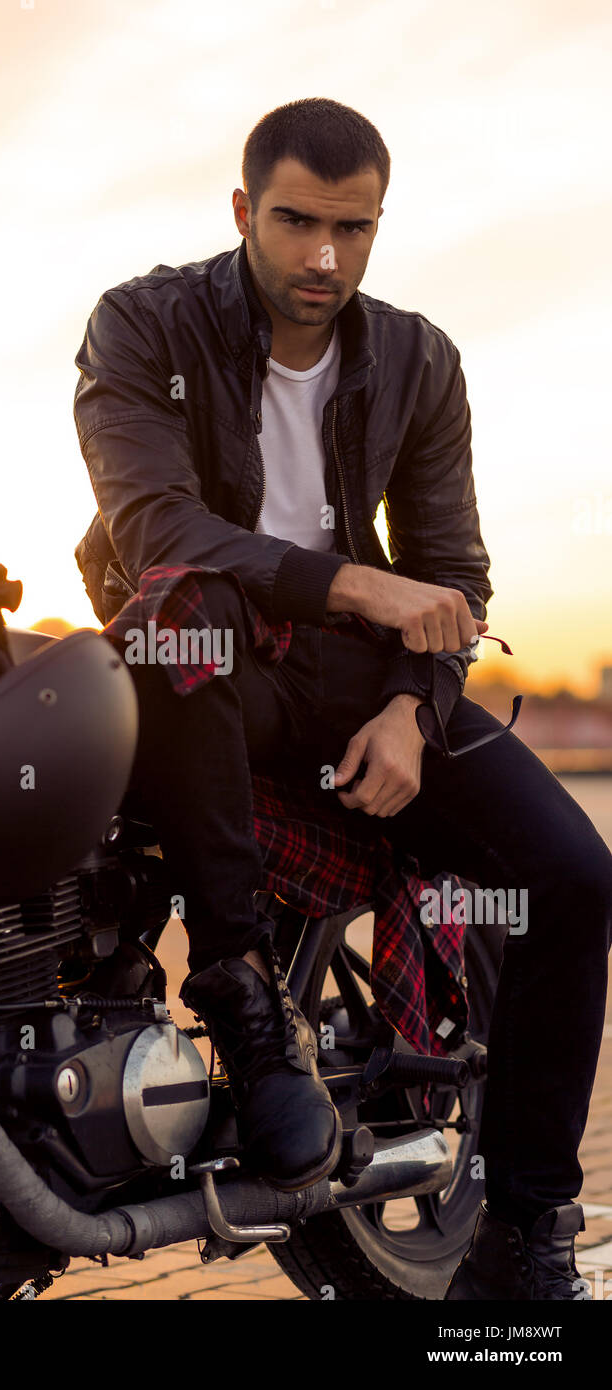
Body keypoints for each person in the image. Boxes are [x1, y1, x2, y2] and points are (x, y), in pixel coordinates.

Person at [72, 97, 612, 1299]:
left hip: (361, 682)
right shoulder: (142, 323)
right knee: (182, 615)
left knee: (571, 881)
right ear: (240, 213)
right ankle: (239, 995)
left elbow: (454, 573)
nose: (323, 257)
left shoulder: (417, 359)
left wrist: (413, 711)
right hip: (203, 665)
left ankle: (525, 1229)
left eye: (352, 229)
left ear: (376, 226)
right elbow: (155, 527)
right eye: (296, 222)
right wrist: (356, 584)